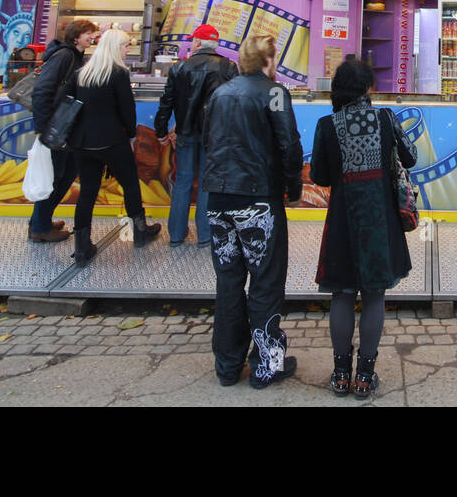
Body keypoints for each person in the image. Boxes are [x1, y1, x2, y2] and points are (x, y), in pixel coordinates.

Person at [310, 56, 416, 399]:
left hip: (342, 220)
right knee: (374, 295)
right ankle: (365, 378)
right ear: (367, 88)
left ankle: (341, 375)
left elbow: (320, 177)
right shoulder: (385, 118)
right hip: (379, 219)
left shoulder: (328, 124)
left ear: (338, 89)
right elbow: (410, 156)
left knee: (342, 294)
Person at [201, 32, 303, 388]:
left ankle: (227, 366)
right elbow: (289, 145)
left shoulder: (220, 93)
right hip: (258, 199)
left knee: (228, 281)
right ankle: (265, 365)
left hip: (218, 199)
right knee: (265, 279)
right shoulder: (274, 93)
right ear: (269, 60)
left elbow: (207, 140)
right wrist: (292, 189)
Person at [62, 28, 162, 266]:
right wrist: (130, 133)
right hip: (112, 140)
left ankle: (82, 246)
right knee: (130, 184)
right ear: (116, 48)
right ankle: (140, 231)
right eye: (126, 46)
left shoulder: (81, 74)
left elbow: (65, 102)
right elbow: (127, 110)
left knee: (87, 191)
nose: (128, 50)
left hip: (83, 143)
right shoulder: (117, 74)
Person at [154, 24, 238, 247]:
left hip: (185, 133)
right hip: (214, 135)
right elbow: (234, 103)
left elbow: (166, 102)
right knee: (206, 183)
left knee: (182, 180)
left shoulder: (179, 67)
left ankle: (176, 234)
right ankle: (204, 235)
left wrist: (161, 131)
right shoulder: (229, 67)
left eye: (193, 41)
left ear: (198, 43)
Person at [28, 18, 98, 243]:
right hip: (56, 126)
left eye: (93, 33)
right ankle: (40, 227)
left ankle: (40, 221)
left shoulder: (75, 56)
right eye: (88, 33)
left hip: (65, 124)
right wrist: (41, 127)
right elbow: (42, 91)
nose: (92, 37)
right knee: (58, 176)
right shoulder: (65, 56)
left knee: (62, 174)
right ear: (76, 36)